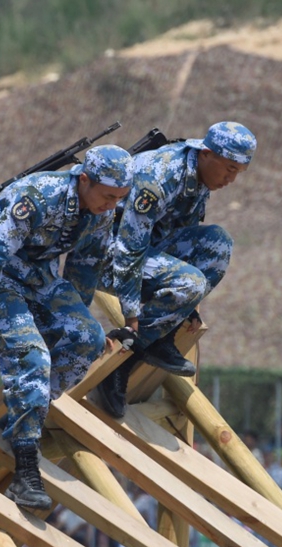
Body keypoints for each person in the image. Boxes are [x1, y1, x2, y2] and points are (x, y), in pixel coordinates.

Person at [0, 145, 135, 513]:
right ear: (84, 180)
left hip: (38, 278)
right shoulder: (36, 197)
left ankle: (26, 417)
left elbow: (86, 266)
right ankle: (25, 470)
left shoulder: (101, 210)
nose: (112, 205)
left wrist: (67, 319)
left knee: (88, 338)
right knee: (32, 356)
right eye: (108, 195)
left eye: (120, 198)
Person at [95, 121, 257, 417]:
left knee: (218, 244)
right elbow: (129, 248)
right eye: (229, 168)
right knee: (189, 282)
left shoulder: (199, 177)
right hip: (107, 257)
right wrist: (131, 316)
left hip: (147, 254)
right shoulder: (160, 175)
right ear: (206, 154)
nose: (232, 179)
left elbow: (185, 235)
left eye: (239, 172)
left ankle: (159, 337)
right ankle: (118, 365)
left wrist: (185, 305)